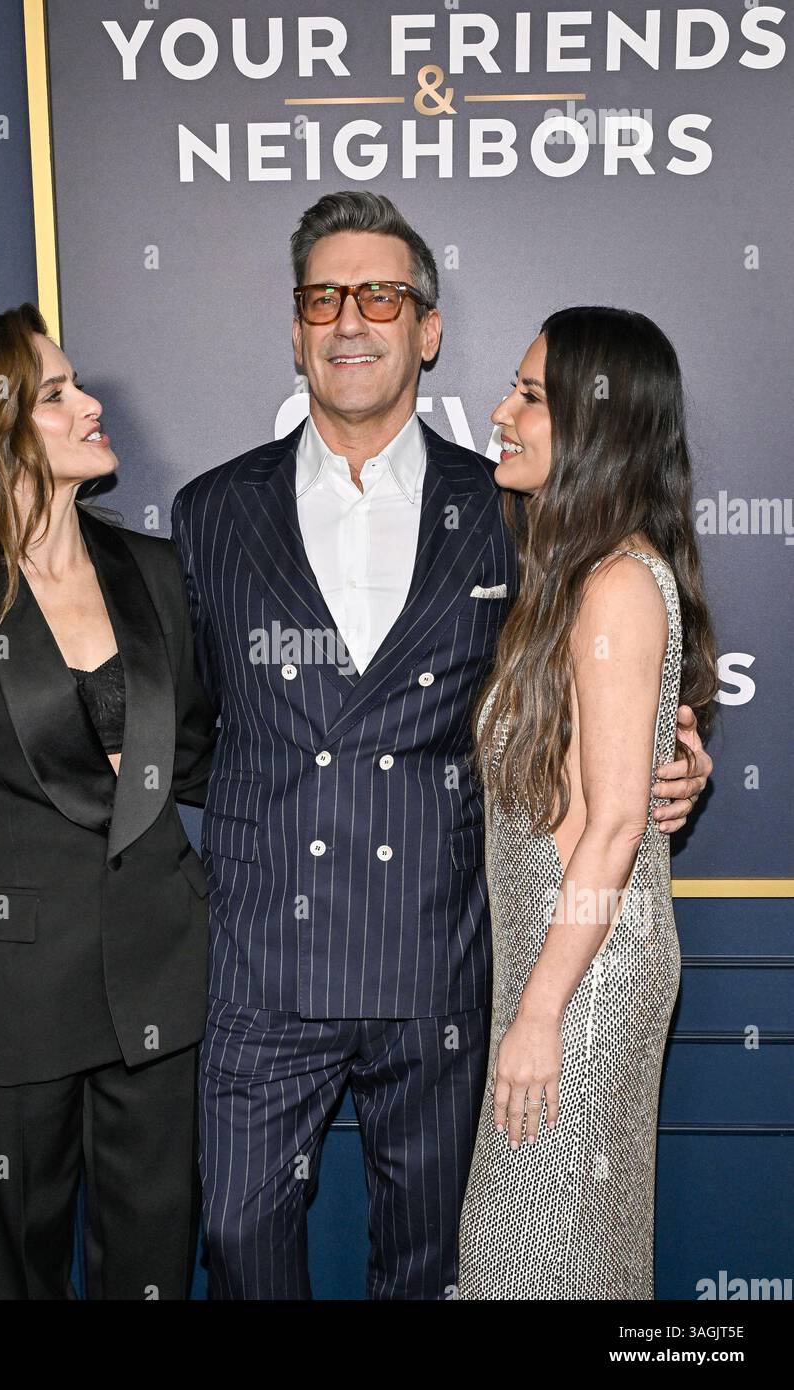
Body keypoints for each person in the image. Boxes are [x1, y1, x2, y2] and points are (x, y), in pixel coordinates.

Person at [166, 192, 712, 1299]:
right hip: (264, 963)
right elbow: (172, 723)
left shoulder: (512, 509)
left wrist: (673, 751)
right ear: (295, 324)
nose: (350, 320)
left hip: (442, 959)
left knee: (438, 1267)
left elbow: (599, 689)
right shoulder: (210, 510)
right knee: (237, 1241)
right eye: (323, 296)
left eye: (381, 294)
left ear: (427, 328)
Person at [0, 303, 216, 1299]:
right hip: (7, 998)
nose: (91, 403)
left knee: (150, 1270)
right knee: (15, 1275)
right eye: (57, 393)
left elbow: (199, 757)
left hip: (162, 980)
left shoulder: (153, 570)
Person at [456, 307, 719, 1299]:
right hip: (561, 962)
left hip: (583, 972)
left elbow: (613, 824)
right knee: (561, 1260)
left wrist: (540, 1010)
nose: (502, 411)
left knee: (524, 1261)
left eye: (529, 394)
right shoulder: (571, 577)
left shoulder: (615, 584)